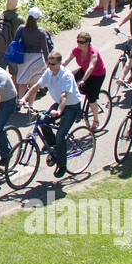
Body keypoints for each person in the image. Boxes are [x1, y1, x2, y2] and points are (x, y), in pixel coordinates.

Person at [26, 50, 82, 178]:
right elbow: (36, 86)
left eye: (52, 64)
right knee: (43, 121)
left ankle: (62, 166)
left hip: (71, 106)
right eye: (49, 64)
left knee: (60, 135)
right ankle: (54, 148)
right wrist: (24, 99)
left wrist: (59, 112)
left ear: (60, 63)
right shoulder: (48, 72)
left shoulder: (66, 75)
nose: (50, 66)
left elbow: (64, 96)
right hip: (59, 103)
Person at [70, 33, 108, 132]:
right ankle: (75, 108)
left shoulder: (93, 52)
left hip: (97, 75)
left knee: (91, 97)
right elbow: (66, 60)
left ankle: (96, 120)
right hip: (84, 70)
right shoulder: (77, 50)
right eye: (78, 41)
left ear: (87, 43)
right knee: (69, 83)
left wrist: (83, 80)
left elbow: (91, 67)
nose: (79, 43)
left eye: (81, 42)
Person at [15, 8, 53, 100]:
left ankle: (18, 102)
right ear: (38, 19)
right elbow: (45, 49)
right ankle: (30, 106)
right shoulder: (41, 31)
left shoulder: (21, 28)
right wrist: (48, 63)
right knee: (33, 85)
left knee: (23, 83)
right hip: (37, 59)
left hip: (24, 58)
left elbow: (15, 41)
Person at [0, 0, 22, 66]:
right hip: (13, 49)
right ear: (17, 7)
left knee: (0, 71)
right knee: (14, 73)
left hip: (0, 47)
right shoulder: (19, 20)